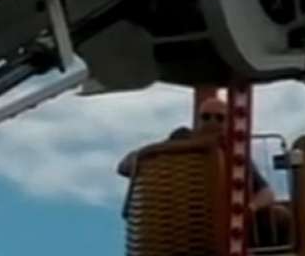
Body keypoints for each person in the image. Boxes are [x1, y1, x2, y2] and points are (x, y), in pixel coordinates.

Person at [117, 96, 294, 246]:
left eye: (219, 118)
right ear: (197, 121)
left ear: (227, 124)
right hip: (184, 220)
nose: (212, 123)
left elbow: (266, 191)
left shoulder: (235, 155)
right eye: (206, 117)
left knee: (281, 216)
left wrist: (250, 207)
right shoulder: (181, 142)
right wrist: (147, 163)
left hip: (230, 223)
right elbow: (126, 165)